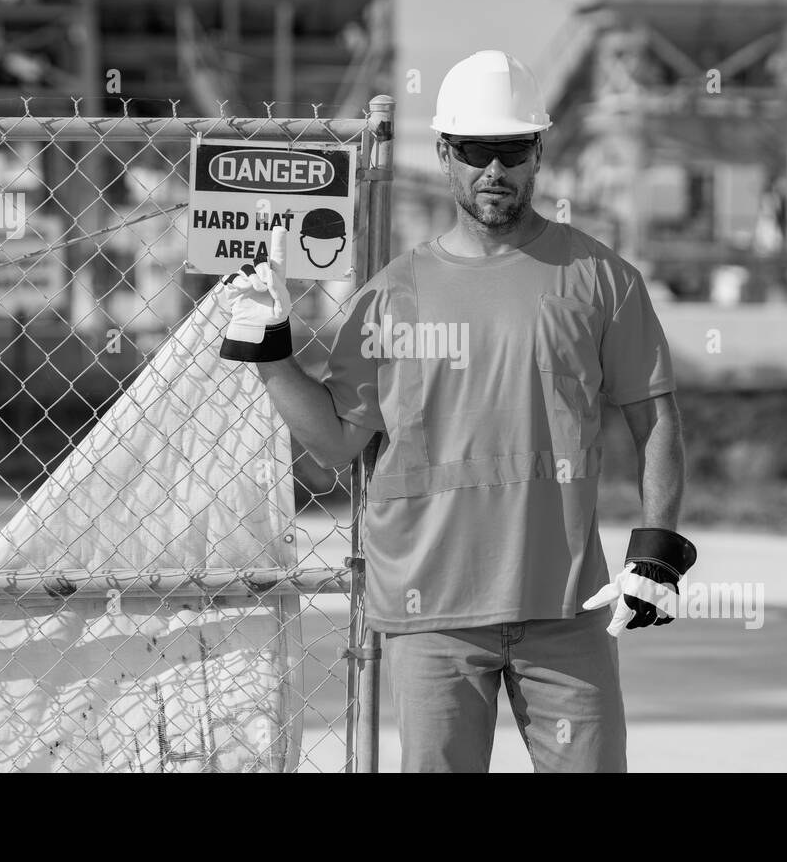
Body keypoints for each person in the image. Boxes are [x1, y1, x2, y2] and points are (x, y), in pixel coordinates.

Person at [216, 50, 695, 773]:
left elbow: (653, 417)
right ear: (444, 152)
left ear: (538, 152)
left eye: (510, 150)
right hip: (428, 612)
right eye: (475, 150)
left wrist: (656, 549)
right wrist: (273, 354)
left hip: (563, 612)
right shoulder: (390, 296)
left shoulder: (601, 280)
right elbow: (334, 446)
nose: (493, 171)